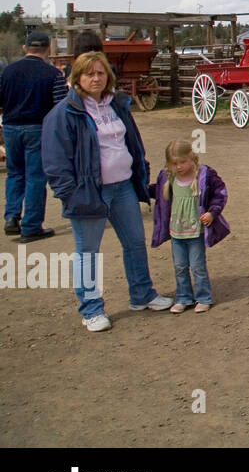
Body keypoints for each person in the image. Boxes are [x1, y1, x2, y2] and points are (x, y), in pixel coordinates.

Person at [41, 51, 173, 332]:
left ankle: (142, 294)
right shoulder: (64, 113)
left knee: (135, 242)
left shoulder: (118, 106)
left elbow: (132, 142)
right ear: (77, 78)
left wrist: (141, 173)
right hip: (89, 191)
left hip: (123, 187)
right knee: (88, 252)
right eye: (89, 73)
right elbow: (55, 162)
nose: (96, 78)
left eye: (101, 73)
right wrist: (72, 195)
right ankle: (91, 309)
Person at [1, 30, 68, 241]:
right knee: (35, 178)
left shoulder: (7, 71)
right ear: (48, 48)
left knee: (14, 174)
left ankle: (11, 217)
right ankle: (31, 226)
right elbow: (60, 107)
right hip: (39, 129)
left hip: (11, 127)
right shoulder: (54, 74)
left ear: (25, 48)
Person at [151, 139, 230, 313]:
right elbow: (156, 191)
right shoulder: (167, 177)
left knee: (197, 266)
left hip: (196, 232)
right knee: (179, 266)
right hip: (176, 232)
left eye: (182, 162)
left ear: (191, 158)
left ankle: (203, 297)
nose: (178, 167)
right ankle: (183, 297)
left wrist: (212, 212)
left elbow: (220, 193)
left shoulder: (204, 176)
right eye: (174, 163)